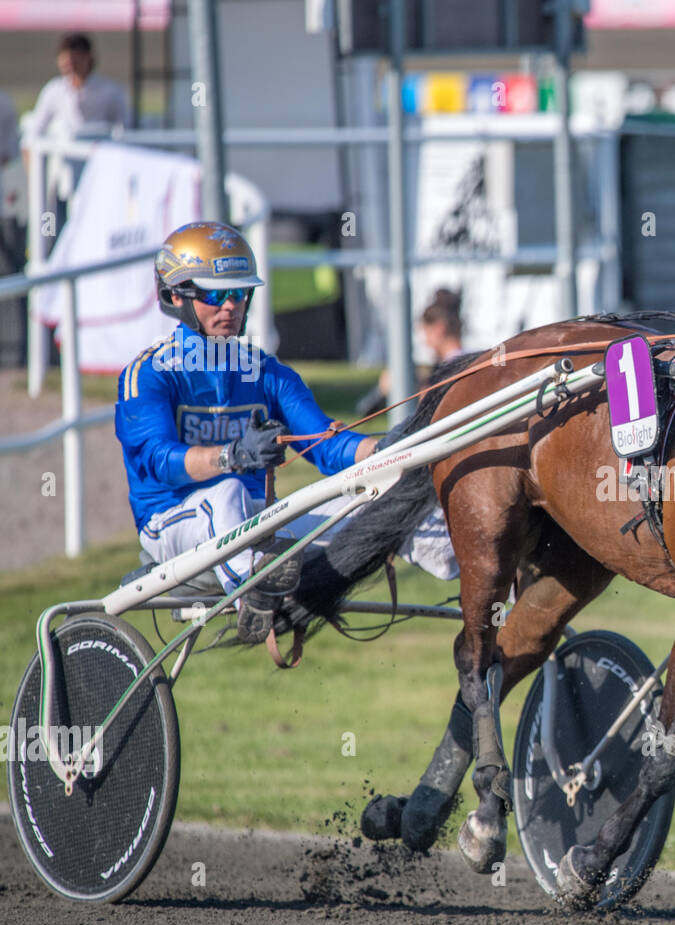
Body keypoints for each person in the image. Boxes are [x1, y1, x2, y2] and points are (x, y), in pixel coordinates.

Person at [116, 222, 456, 645]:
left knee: (388, 500)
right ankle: (253, 594)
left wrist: (385, 449)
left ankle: (501, 574)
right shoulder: (148, 375)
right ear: (175, 296)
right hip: (172, 528)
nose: (231, 306)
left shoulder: (267, 372)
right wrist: (232, 456)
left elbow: (325, 445)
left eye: (240, 293)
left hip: (258, 525)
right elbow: (158, 461)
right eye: (216, 294)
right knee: (226, 495)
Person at [356, 288, 465, 417]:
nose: (424, 341)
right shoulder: (465, 362)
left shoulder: (453, 369)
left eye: (425, 332)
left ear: (438, 329)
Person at [27, 33, 130, 144]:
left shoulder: (111, 91)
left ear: (88, 57)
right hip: (63, 156)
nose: (69, 65)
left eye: (74, 60)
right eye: (65, 61)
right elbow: (34, 132)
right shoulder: (53, 90)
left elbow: (124, 129)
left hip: (99, 153)